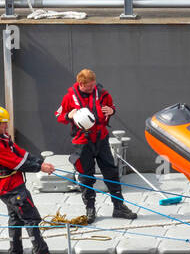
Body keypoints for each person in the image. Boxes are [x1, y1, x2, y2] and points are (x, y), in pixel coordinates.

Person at [0, 106, 63, 254]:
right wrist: (40, 168)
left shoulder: (2, 138)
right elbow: (17, 163)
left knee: (15, 220)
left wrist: (41, 162)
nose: (6, 126)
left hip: (9, 188)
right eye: (4, 123)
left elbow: (21, 153)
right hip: (12, 189)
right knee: (31, 218)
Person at [55, 69, 137, 223]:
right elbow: (58, 115)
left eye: (94, 86)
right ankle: (90, 209)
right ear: (81, 84)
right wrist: (68, 115)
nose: (93, 89)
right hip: (82, 143)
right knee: (86, 176)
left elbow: (111, 107)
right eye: (90, 87)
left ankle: (119, 206)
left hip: (101, 139)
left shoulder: (103, 94)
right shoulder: (69, 98)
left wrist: (112, 110)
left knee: (111, 172)